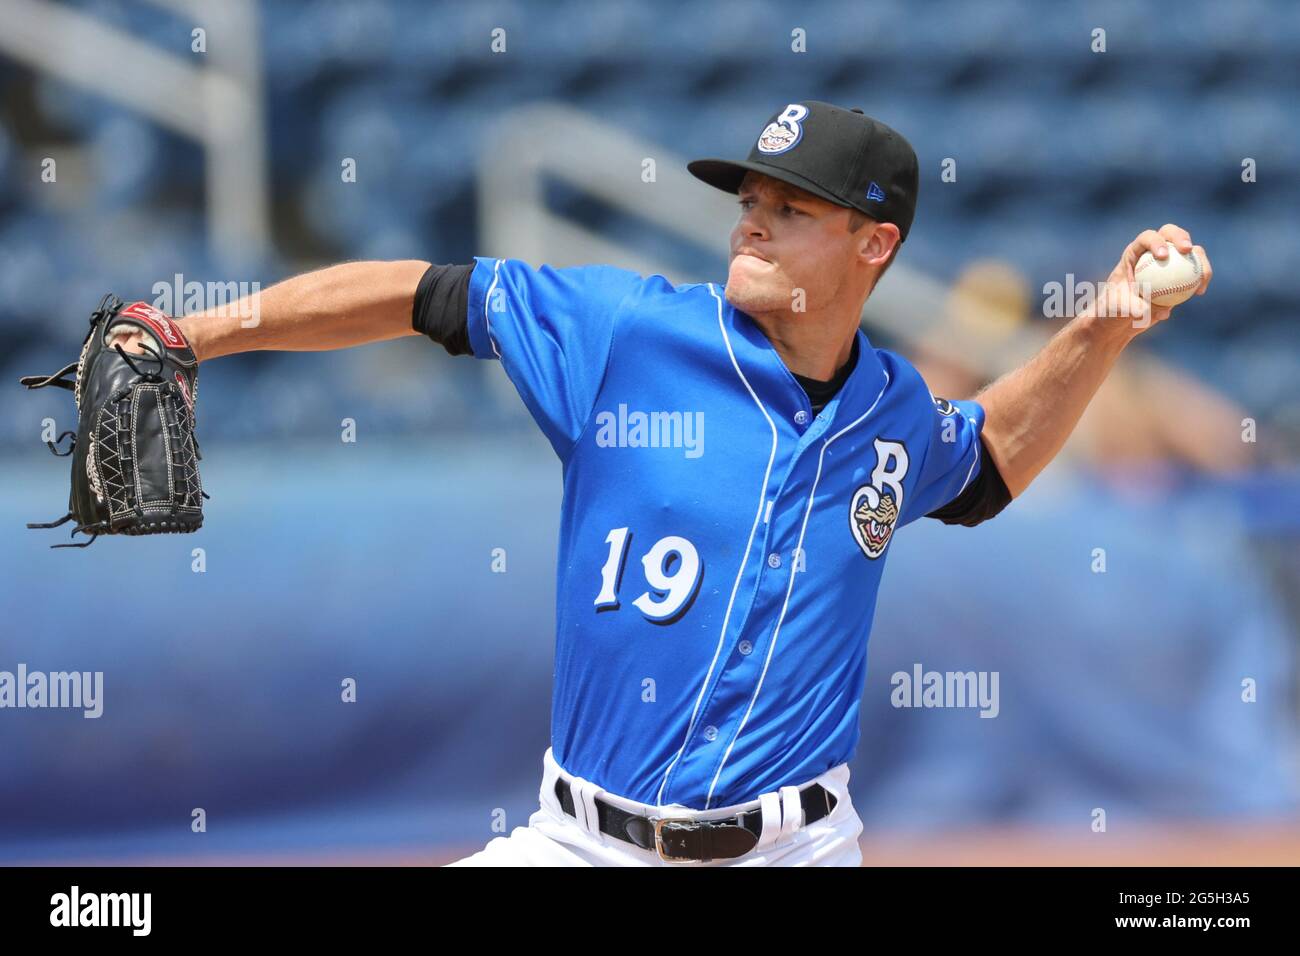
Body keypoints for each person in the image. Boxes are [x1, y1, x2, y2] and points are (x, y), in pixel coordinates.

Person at [109, 101, 1212, 866]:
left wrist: (1109, 319)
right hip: (584, 839)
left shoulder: (889, 407)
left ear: (874, 244)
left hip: (801, 844)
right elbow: (413, 291)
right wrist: (201, 334)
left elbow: (983, 463)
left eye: (790, 207)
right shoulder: (625, 334)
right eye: (751, 197)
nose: (750, 219)